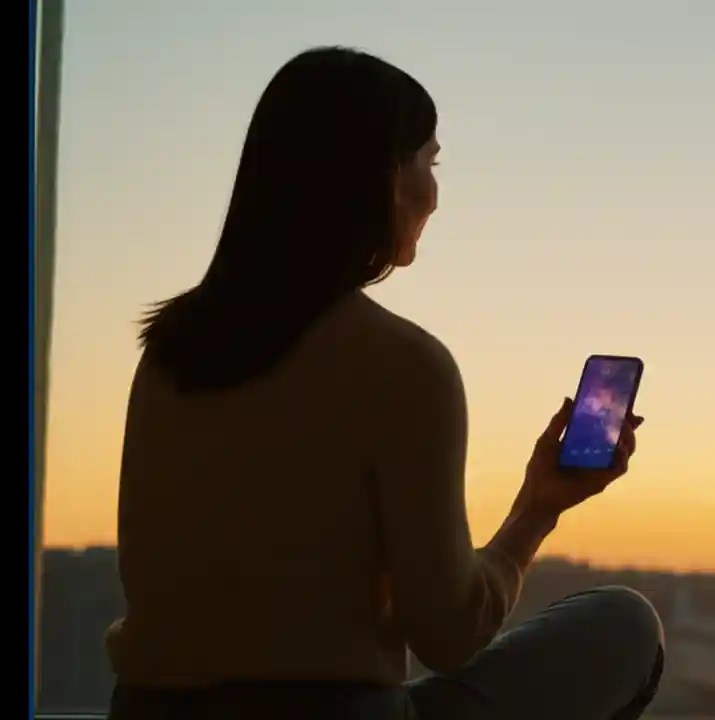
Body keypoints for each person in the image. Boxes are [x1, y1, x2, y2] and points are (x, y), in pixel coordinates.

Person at [105, 46, 663, 720]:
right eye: (428, 163)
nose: (434, 192)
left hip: (144, 713)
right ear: (378, 181)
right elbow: (448, 634)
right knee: (623, 625)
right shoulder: (405, 365)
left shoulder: (168, 352)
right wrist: (536, 510)